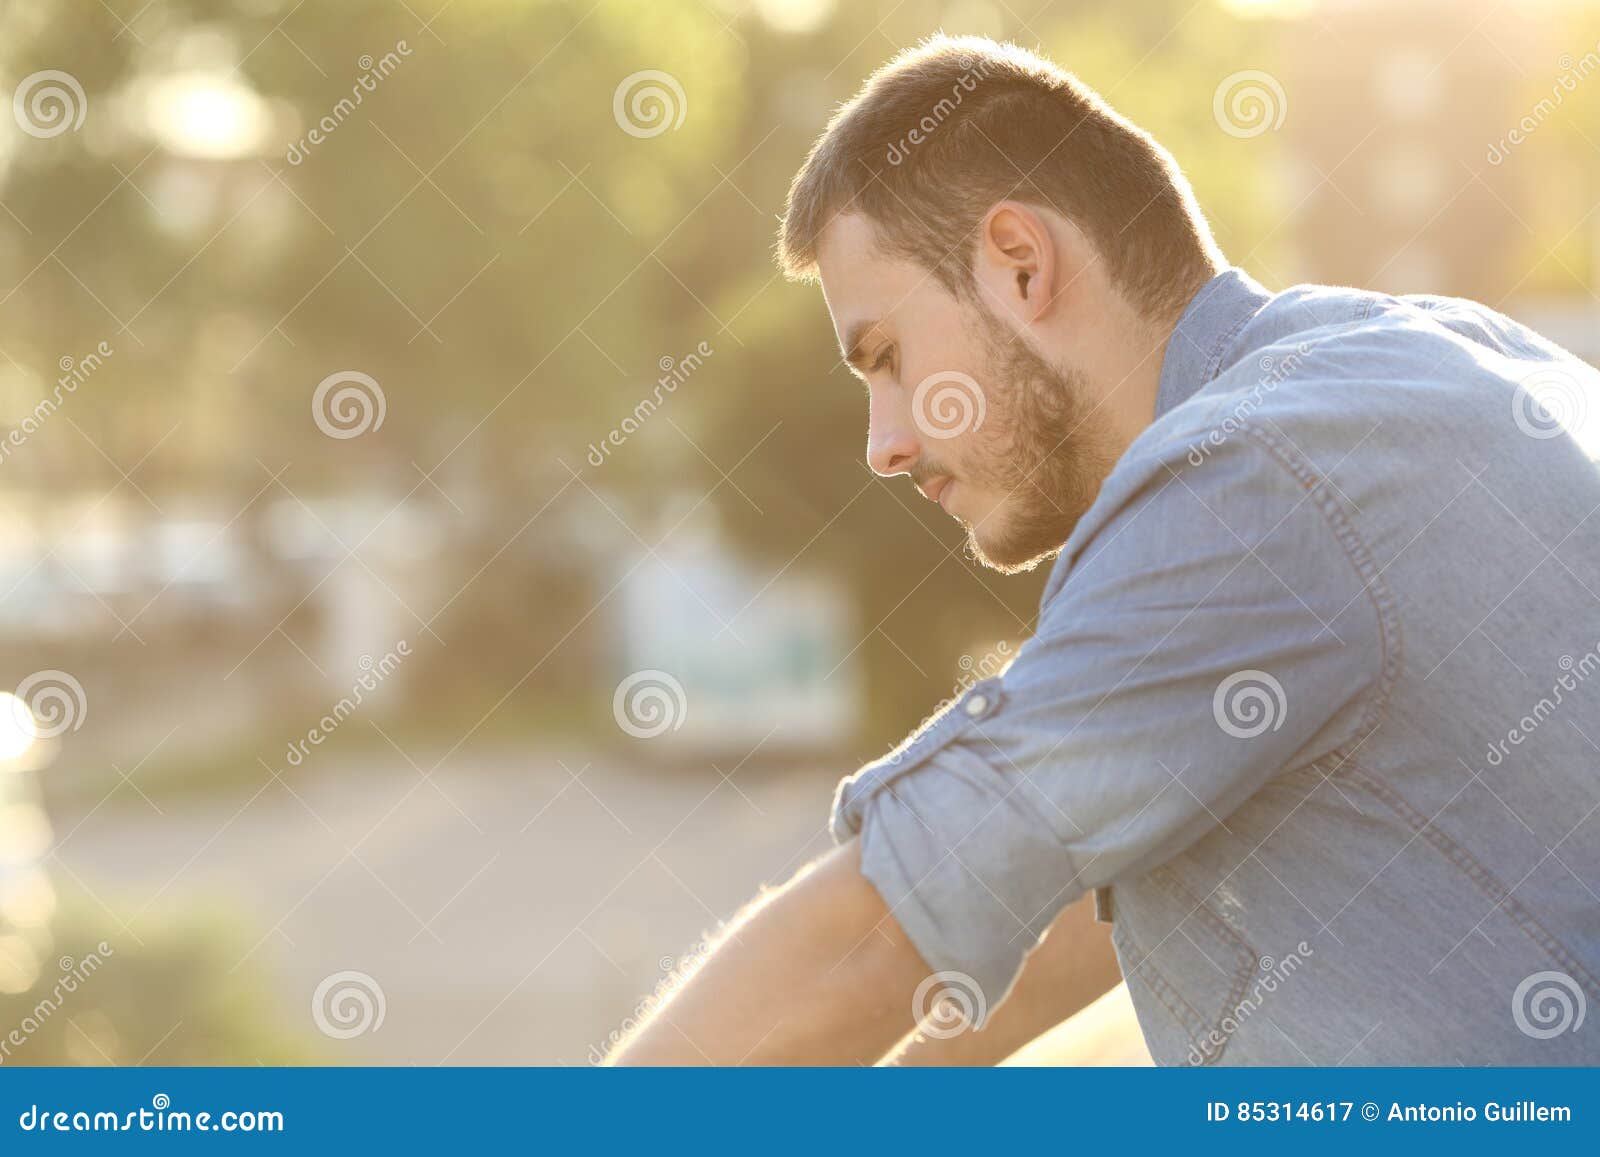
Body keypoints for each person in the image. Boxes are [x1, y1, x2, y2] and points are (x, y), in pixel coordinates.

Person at [608, 34, 1600, 1066]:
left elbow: (871, 936)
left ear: (1020, 264)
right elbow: (1074, 890)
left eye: (888, 357)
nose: (884, 442)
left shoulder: (1248, 480)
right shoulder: (1435, 357)